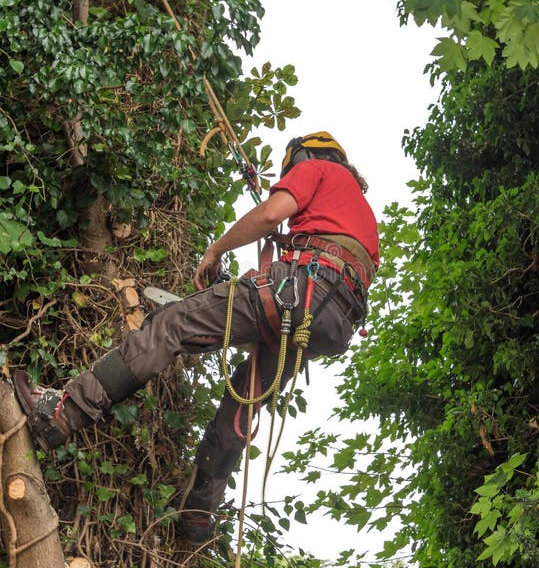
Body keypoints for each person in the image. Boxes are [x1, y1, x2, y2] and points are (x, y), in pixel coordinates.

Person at [13, 131, 379, 544]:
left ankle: (66, 410)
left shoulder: (316, 169)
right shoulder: (359, 213)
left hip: (302, 288)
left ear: (304, 157)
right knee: (244, 392)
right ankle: (200, 510)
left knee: (173, 323)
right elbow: (331, 260)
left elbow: (269, 214)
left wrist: (216, 250)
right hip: (330, 324)